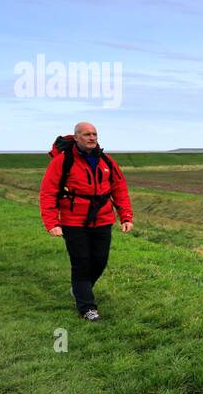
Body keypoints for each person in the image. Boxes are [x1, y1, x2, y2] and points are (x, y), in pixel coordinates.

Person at [38, 122, 134, 320]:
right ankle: (87, 307)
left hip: (103, 219)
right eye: (87, 134)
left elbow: (119, 188)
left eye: (94, 134)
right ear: (76, 137)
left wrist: (126, 216)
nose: (92, 137)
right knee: (81, 263)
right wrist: (52, 223)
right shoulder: (63, 161)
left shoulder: (106, 160)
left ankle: (80, 289)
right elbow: (48, 192)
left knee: (100, 261)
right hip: (73, 221)